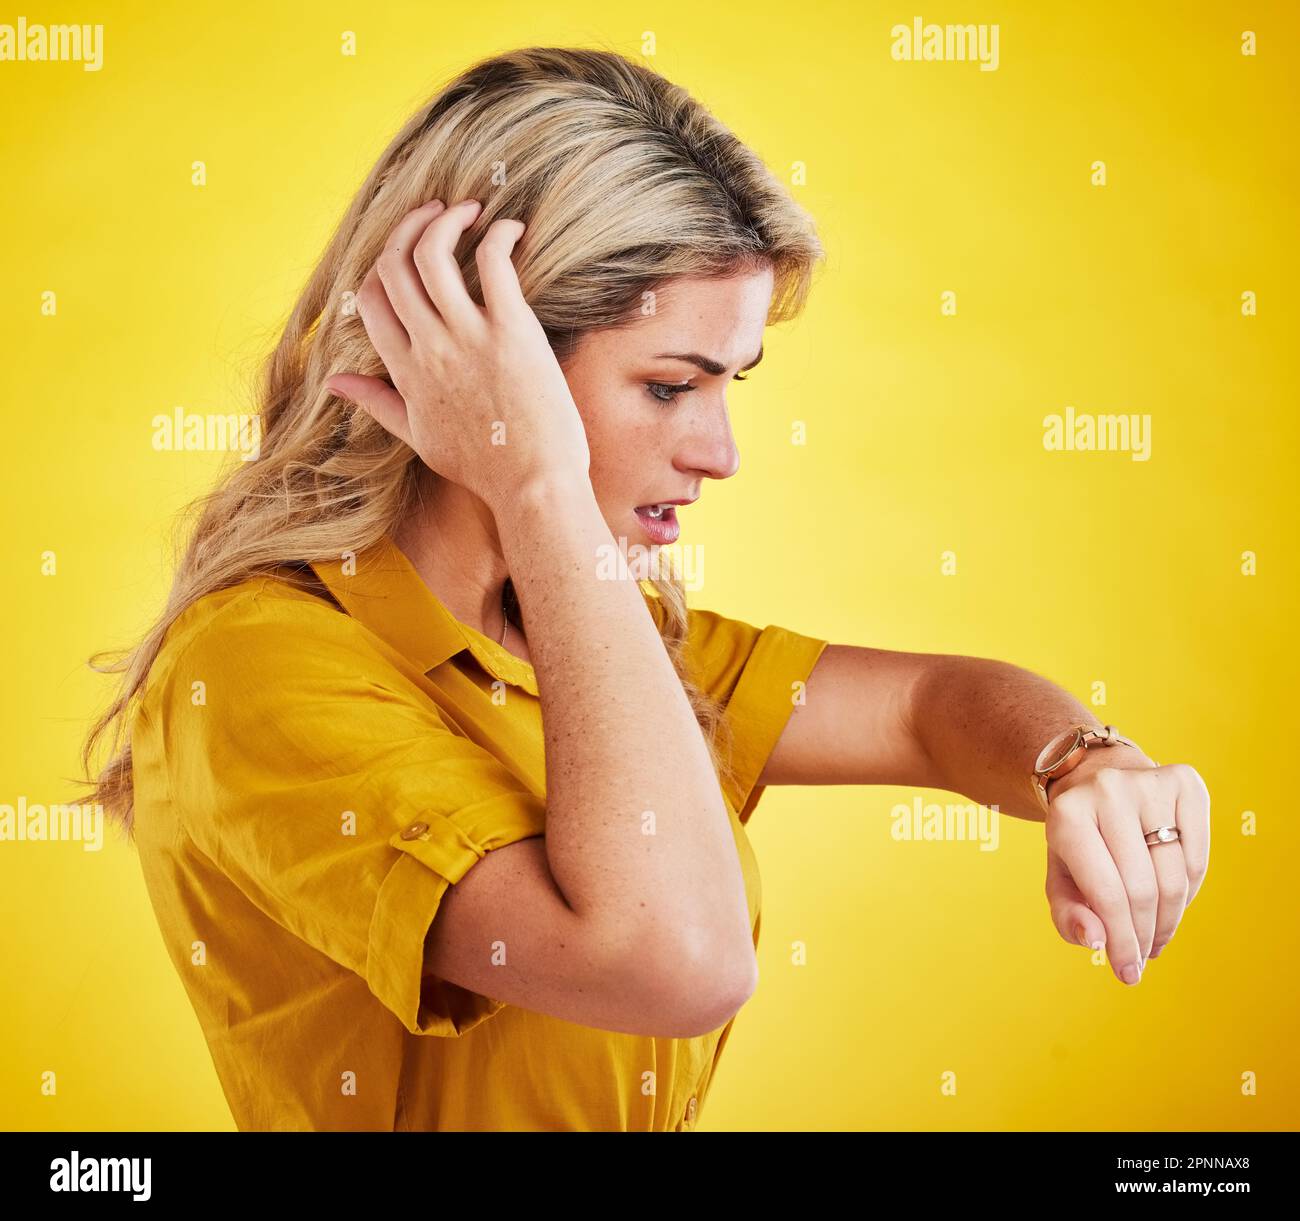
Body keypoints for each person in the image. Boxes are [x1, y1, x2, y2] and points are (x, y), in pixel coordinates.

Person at [79, 46, 1209, 1132]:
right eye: (669, 386)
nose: (719, 453)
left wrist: (1078, 763)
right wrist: (536, 481)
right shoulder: (256, 666)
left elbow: (927, 713)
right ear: (474, 361)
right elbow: (681, 963)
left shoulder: (568, 624)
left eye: (730, 385)